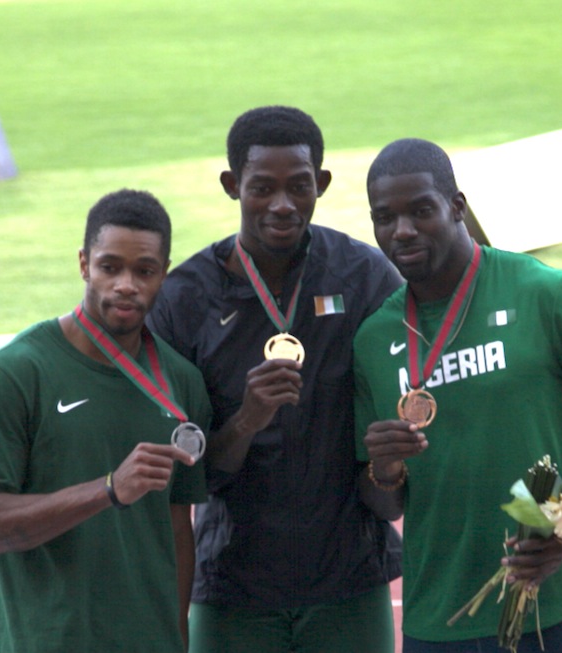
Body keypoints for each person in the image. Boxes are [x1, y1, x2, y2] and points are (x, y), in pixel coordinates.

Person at [353, 139, 562, 652]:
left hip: (549, 598)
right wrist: (383, 468)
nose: (402, 231)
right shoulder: (374, 339)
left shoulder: (545, 293)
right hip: (438, 613)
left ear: (457, 206)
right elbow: (383, 503)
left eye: (421, 211)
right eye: (384, 217)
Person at [147, 105, 403, 653]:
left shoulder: (365, 276)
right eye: (262, 188)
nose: (282, 205)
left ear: (323, 184)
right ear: (231, 185)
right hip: (233, 588)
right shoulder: (184, 298)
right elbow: (180, 474)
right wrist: (244, 421)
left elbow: (407, 401)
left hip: (349, 580)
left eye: (299, 187)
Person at [0, 189, 210, 652]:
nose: (126, 284)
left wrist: (177, 635)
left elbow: (177, 528)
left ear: (163, 275)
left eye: (144, 270)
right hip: (41, 640)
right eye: (110, 267)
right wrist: (108, 489)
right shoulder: (12, 373)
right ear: (84, 264)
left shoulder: (182, 382)